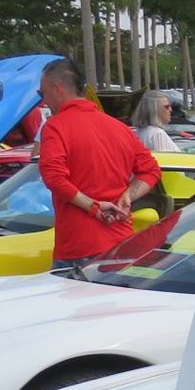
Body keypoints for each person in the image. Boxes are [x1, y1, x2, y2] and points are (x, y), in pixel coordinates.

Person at [35, 59, 161, 264]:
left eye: (42, 94)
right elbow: (151, 170)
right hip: (121, 244)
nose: (43, 101)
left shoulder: (55, 126)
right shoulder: (118, 128)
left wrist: (93, 208)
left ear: (57, 89)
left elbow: (54, 178)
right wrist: (128, 196)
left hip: (78, 248)